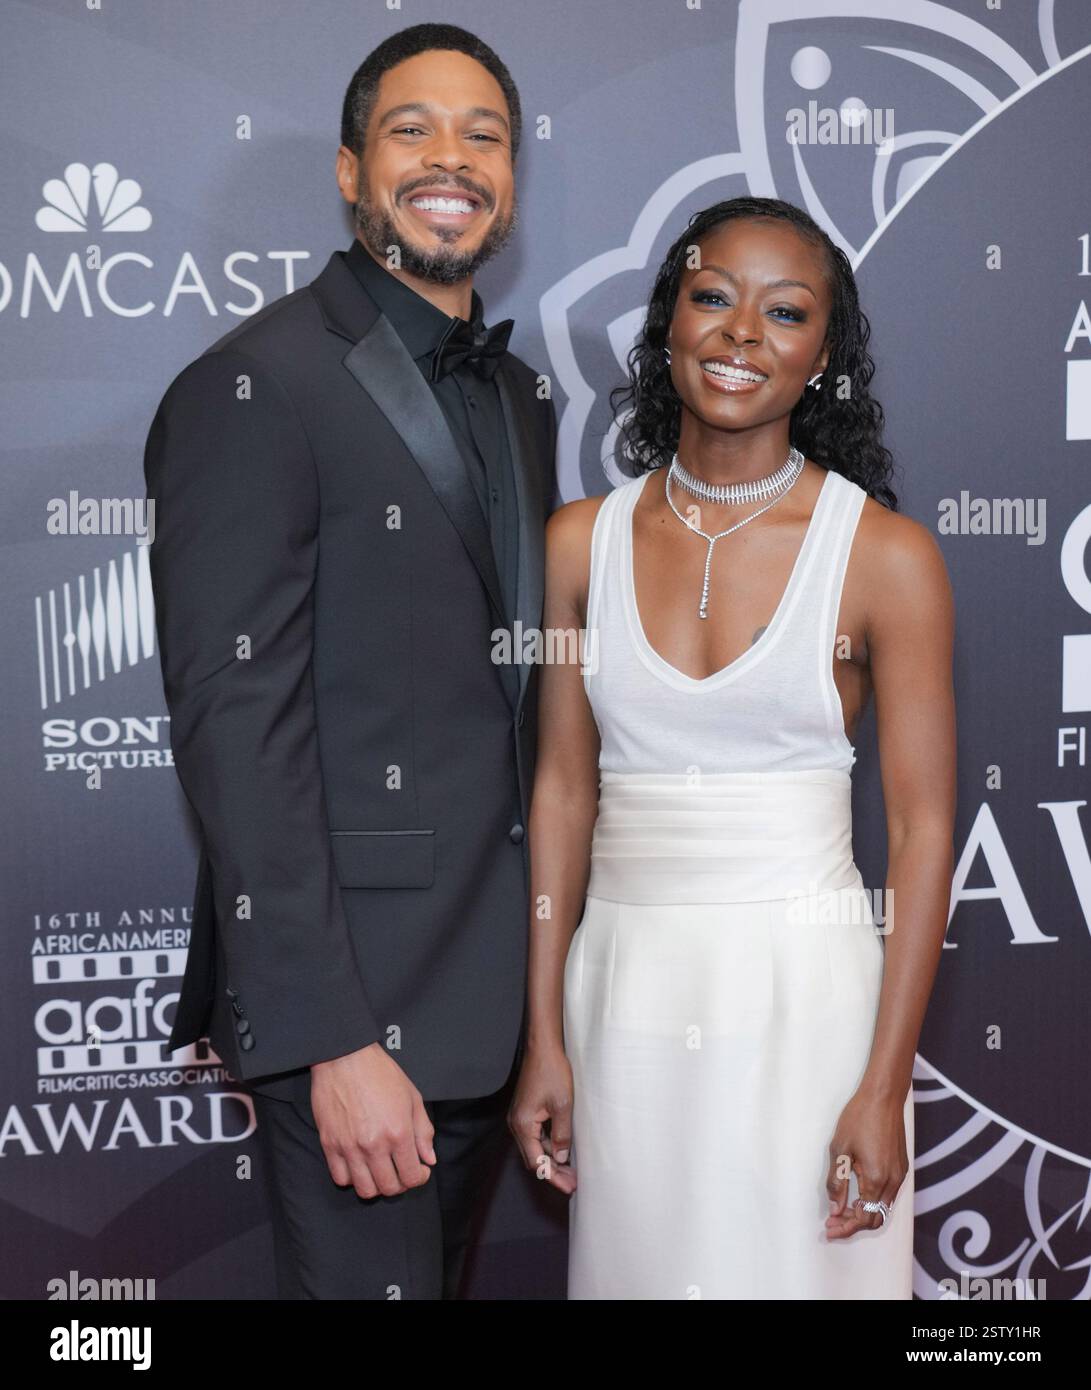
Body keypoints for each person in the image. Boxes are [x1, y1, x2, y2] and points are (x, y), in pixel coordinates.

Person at [144, 23, 556, 1299]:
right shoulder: (255, 385)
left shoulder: (520, 397)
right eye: (411, 129)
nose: (452, 159)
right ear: (346, 169)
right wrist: (332, 1039)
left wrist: (551, 1010)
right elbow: (234, 722)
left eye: (482, 134)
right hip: (358, 1012)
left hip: (497, 1009)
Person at [509, 196, 956, 1299]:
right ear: (667, 326)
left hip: (806, 996)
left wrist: (882, 1085)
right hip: (621, 991)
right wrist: (544, 1039)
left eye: (785, 312)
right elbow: (563, 794)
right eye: (711, 298)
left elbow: (920, 828)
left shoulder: (882, 556)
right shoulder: (579, 540)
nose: (741, 334)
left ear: (820, 354)